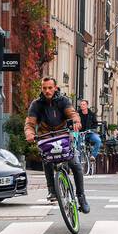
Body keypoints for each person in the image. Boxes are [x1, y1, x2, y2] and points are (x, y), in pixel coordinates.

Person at [24, 75, 91, 214]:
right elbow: (30, 123)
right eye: (44, 88)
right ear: (41, 89)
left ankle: (81, 196)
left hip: (63, 136)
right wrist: (29, 134)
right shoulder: (36, 104)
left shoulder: (63, 100)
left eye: (50, 88)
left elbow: (72, 114)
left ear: (55, 88)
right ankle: (52, 191)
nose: (47, 91)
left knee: (75, 165)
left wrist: (76, 121)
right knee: (46, 159)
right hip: (46, 137)